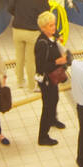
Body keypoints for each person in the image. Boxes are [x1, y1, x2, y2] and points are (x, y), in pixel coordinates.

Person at [10, 0, 51, 93]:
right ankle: (32, 86)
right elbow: (46, 17)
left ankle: (19, 81)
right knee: (31, 60)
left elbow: (10, 8)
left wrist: (19, 15)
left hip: (17, 30)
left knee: (19, 57)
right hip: (32, 33)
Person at [33, 10, 68, 147]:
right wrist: (57, 62)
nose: (54, 28)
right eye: (50, 26)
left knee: (55, 99)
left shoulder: (51, 37)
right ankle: (43, 136)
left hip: (53, 79)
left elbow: (56, 35)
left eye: (54, 25)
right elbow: (41, 66)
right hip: (46, 79)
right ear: (42, 28)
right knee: (48, 106)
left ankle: (53, 119)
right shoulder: (42, 43)